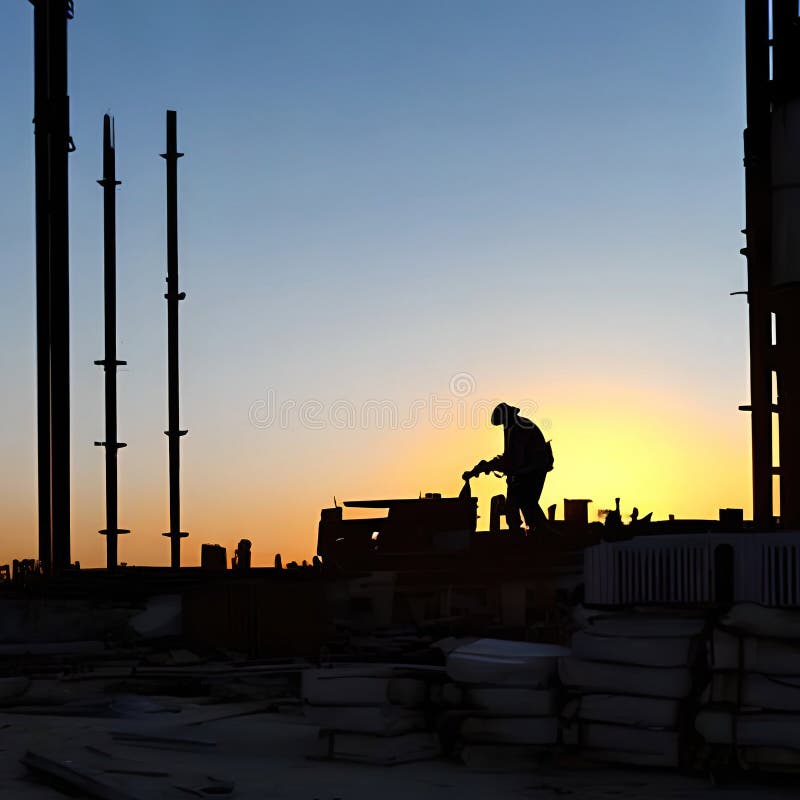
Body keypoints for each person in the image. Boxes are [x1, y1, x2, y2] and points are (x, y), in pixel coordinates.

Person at [462, 402, 554, 535]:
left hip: (533, 469)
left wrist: (488, 466)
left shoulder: (520, 428)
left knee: (526, 502)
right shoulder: (512, 427)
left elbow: (514, 462)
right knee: (517, 503)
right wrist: (485, 466)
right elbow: (509, 458)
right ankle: (522, 534)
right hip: (525, 470)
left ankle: (543, 535)